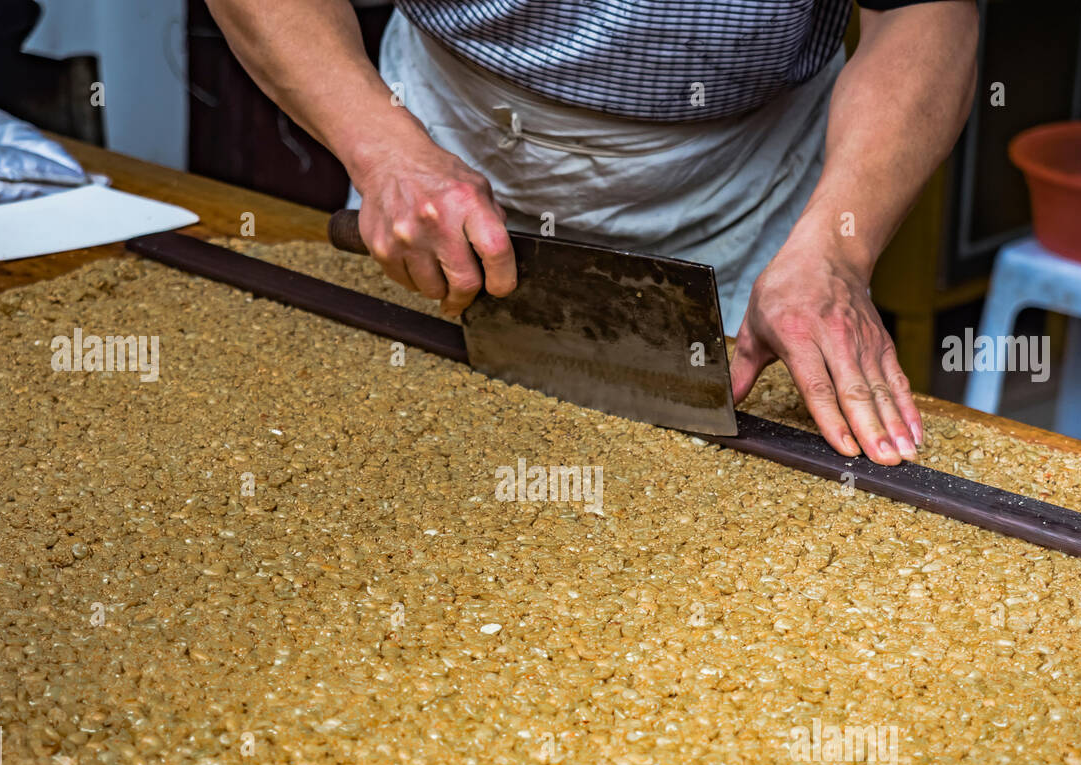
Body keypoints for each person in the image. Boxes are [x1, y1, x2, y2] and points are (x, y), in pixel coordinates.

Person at [208, 0, 978, 465]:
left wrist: (837, 249)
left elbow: (924, 12)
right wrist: (384, 153)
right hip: (436, 142)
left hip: (746, 185)